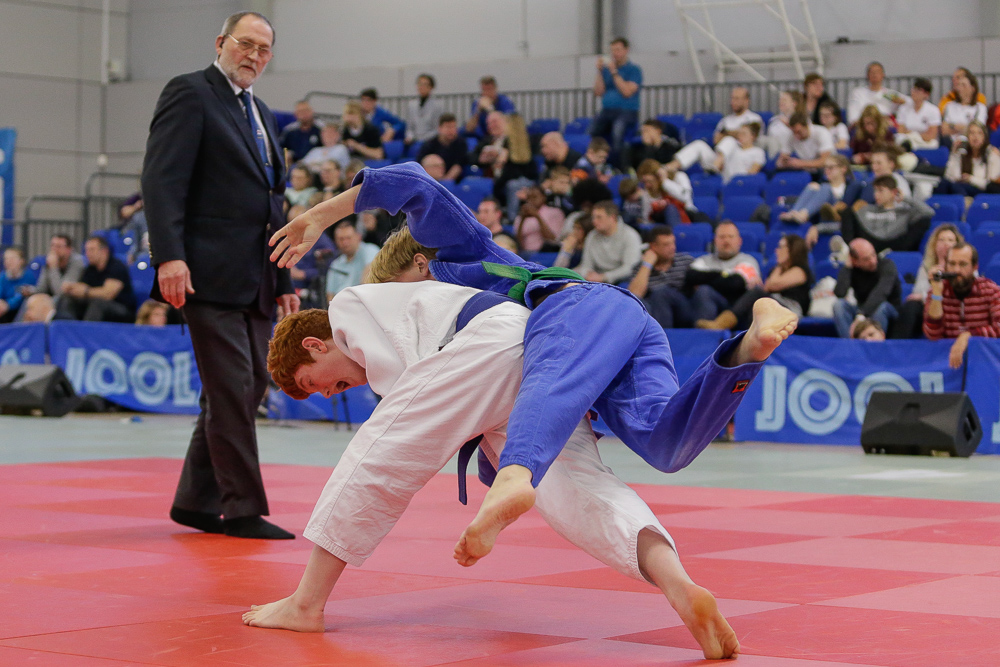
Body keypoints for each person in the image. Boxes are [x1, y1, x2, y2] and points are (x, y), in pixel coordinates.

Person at [267, 160, 797, 578]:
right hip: (618, 333)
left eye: (404, 296)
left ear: (421, 267)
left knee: (540, 396)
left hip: (572, 312)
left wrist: (320, 215)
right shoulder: (448, 340)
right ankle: (746, 349)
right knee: (666, 445)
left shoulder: (454, 255)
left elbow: (412, 182)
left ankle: (518, 476)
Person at [245, 286, 770, 660]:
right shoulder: (399, 329)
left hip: (484, 343)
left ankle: (306, 604)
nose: (332, 392)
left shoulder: (350, 308)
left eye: (318, 382)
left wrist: (326, 212)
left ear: (316, 344)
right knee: (577, 491)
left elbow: (405, 429)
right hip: (527, 362)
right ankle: (679, 585)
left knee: (376, 456)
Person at [141, 10, 299, 540]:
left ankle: (195, 501)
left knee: (249, 383)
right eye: (245, 44)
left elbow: (272, 203)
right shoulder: (190, 93)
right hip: (204, 272)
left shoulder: (263, 114)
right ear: (221, 43)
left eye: (263, 49)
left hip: (256, 276)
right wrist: (169, 255)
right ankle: (243, 509)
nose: (253, 56)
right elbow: (162, 179)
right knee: (232, 387)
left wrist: (283, 278)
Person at [698, 234, 812, 330]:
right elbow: (768, 287)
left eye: (781, 247)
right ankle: (748, 336)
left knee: (757, 293)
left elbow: (772, 285)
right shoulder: (778, 269)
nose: (776, 250)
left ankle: (721, 324)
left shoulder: (800, 270)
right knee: (755, 304)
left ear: (793, 250)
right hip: (774, 305)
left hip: (791, 310)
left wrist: (778, 266)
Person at [924, 242, 1000, 368]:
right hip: (948, 364)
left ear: (975, 267)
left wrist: (968, 335)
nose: (956, 270)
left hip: (985, 363)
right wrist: (937, 293)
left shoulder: (990, 290)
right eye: (952, 264)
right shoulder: (937, 292)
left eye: (963, 264)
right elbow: (933, 334)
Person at [895, 223, 963, 340]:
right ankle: (899, 344)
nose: (946, 244)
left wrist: (924, 295)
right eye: (941, 240)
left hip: (955, 306)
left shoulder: (964, 266)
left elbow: (968, 288)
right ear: (935, 244)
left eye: (950, 240)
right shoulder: (927, 266)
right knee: (911, 306)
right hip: (929, 307)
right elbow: (917, 292)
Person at [685, 222, 762, 323]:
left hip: (737, 310)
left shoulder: (748, 261)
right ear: (715, 241)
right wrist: (723, 276)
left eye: (730, 237)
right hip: (707, 304)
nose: (726, 241)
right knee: (704, 291)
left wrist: (706, 279)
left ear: (739, 241)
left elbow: (735, 283)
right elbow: (690, 277)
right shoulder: (704, 260)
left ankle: (715, 327)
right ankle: (704, 330)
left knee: (704, 289)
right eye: (722, 237)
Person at [841, 175, 932, 253]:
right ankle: (849, 249)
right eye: (875, 190)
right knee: (847, 213)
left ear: (894, 192)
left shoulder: (904, 212)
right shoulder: (866, 209)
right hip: (867, 244)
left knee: (924, 221)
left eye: (881, 190)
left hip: (896, 244)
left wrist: (905, 198)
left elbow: (929, 212)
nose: (876, 195)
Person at [54, 235, 136, 322]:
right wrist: (71, 288)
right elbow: (81, 287)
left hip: (122, 309)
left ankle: (86, 330)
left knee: (98, 303)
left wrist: (86, 291)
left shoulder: (116, 267)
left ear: (104, 251)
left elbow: (108, 294)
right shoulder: (90, 269)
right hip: (95, 305)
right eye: (86, 250)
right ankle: (66, 327)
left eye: (92, 250)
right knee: (67, 299)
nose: (87, 254)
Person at [628, 225, 695, 328]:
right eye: (666, 244)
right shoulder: (640, 268)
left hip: (682, 308)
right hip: (655, 310)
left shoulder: (686, 262)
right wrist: (647, 265)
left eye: (673, 243)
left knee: (662, 293)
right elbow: (635, 295)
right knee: (653, 298)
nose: (673, 248)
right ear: (653, 247)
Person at [832, 238, 900, 338]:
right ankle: (851, 344)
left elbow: (881, 293)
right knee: (839, 305)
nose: (872, 261)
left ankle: (876, 343)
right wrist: (847, 269)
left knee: (881, 307)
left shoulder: (887, 265)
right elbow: (840, 293)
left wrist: (861, 315)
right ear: (855, 261)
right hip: (862, 309)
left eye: (873, 255)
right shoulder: (853, 269)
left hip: (889, 309)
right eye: (866, 259)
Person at [780, 154, 863, 234]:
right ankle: (794, 212)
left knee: (825, 187)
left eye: (831, 168)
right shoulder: (820, 186)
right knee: (813, 186)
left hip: (836, 214)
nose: (827, 171)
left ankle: (803, 215)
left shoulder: (851, 186)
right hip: (819, 215)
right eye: (825, 167)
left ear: (843, 169)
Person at [591, 37, 642, 160]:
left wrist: (614, 72)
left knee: (617, 132)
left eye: (618, 50)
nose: (615, 53)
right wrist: (600, 72)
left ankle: (618, 163)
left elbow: (627, 92)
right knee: (591, 132)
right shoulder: (606, 70)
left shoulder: (634, 70)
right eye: (613, 50)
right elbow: (598, 92)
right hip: (607, 111)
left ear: (626, 50)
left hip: (627, 112)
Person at [667, 122, 764, 183]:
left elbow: (753, 172)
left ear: (753, 136)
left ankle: (716, 165)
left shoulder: (758, 151)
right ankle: (669, 168)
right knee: (699, 145)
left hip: (738, 178)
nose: (740, 136)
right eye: (739, 133)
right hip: (721, 172)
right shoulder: (734, 147)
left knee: (730, 140)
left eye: (744, 134)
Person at [572, 200, 642, 284]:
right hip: (595, 279)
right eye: (593, 217)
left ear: (612, 218)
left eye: (599, 217)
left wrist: (604, 277)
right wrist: (588, 274)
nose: (594, 221)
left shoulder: (630, 236)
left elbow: (630, 268)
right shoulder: (592, 235)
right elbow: (586, 264)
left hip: (620, 281)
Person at [938, 120, 1000, 196]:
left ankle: (965, 202)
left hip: (982, 190)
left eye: (979, 133)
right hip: (961, 187)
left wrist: (970, 179)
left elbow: (991, 184)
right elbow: (949, 176)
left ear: (984, 137)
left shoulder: (991, 153)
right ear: (967, 136)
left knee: (956, 187)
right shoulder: (962, 151)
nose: (975, 137)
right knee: (943, 183)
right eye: (972, 133)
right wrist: (954, 154)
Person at [492, 113, 538, 214]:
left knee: (509, 186)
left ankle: (510, 216)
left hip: (512, 181)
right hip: (529, 180)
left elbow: (506, 169)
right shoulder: (530, 140)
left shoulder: (507, 142)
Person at [324, 220, 379, 300]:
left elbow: (368, 282)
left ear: (358, 237)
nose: (345, 242)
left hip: (362, 301)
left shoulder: (370, 250)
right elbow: (330, 295)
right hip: (340, 304)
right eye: (341, 239)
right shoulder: (335, 265)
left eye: (348, 238)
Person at [31, 234, 85, 302]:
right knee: (30, 300)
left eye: (58, 246)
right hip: (52, 298)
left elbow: (61, 293)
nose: (54, 249)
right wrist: (31, 291)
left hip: (71, 301)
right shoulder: (50, 260)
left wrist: (53, 267)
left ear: (69, 249)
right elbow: (41, 289)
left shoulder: (77, 262)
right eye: (52, 245)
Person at [416, 113, 467, 182]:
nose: (451, 131)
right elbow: (421, 164)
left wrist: (445, 182)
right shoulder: (430, 144)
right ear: (440, 128)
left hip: (452, 181)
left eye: (453, 127)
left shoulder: (460, 144)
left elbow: (458, 165)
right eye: (448, 127)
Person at [894, 78, 942, 151]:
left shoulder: (933, 110)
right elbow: (900, 131)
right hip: (907, 141)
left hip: (924, 143)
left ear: (926, 94)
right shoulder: (903, 108)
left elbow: (931, 135)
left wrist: (913, 134)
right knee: (899, 139)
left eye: (918, 90)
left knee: (933, 143)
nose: (914, 92)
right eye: (914, 89)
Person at [513, 186, 564, 253]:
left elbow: (553, 239)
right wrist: (522, 219)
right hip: (525, 252)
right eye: (528, 198)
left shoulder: (554, 212)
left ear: (544, 197)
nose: (531, 200)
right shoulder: (520, 216)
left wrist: (537, 216)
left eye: (534, 197)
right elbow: (517, 242)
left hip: (546, 252)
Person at [846, 61, 899, 125]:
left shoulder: (889, 94)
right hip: (863, 127)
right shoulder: (857, 93)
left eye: (877, 72)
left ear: (883, 75)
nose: (875, 75)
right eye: (872, 72)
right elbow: (853, 118)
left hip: (885, 127)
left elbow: (906, 102)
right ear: (867, 75)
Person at [941, 70, 987, 141]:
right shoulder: (949, 106)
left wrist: (952, 126)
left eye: (963, 85)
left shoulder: (980, 108)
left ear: (973, 88)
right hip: (951, 142)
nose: (960, 88)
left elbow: (977, 130)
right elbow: (944, 130)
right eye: (958, 85)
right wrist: (964, 127)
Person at [404, 73, 444, 144]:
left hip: (430, 141)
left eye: (425, 84)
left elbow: (437, 129)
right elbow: (409, 127)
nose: (421, 87)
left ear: (431, 87)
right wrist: (410, 137)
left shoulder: (437, 106)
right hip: (414, 141)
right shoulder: (411, 105)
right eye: (419, 84)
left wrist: (422, 139)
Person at [767, 90, 805, 157]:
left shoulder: (803, 120)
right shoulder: (774, 120)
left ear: (794, 103)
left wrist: (789, 125)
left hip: (794, 155)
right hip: (774, 154)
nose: (781, 102)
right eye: (780, 99)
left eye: (784, 100)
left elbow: (804, 138)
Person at [0, 247, 31, 323]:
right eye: (6, 259)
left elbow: (22, 295)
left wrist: (8, 305)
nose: (9, 262)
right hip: (3, 311)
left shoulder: (28, 276)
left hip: (20, 311)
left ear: (21, 261)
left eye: (12, 258)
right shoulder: (2, 277)